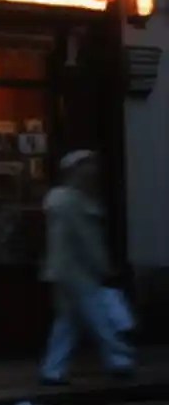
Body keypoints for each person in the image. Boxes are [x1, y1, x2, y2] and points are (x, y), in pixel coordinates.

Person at [39, 150, 135, 385]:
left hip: (63, 269)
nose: (93, 171)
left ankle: (53, 369)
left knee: (68, 322)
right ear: (75, 171)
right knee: (100, 318)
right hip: (78, 271)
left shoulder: (61, 200)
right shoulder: (73, 202)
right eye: (87, 166)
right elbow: (87, 239)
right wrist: (103, 266)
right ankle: (120, 358)